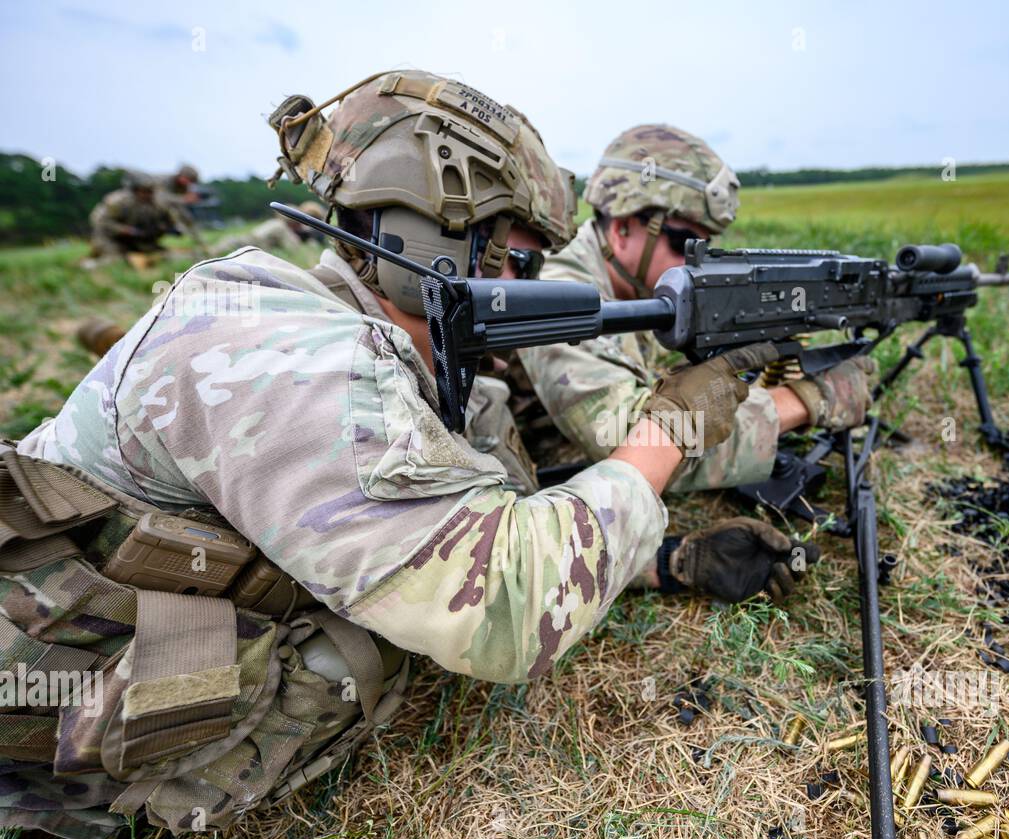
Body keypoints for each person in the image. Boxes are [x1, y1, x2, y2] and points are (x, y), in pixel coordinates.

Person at [19, 71, 811, 691]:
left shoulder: (367, 340)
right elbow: (506, 609)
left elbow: (455, 525)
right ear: (429, 243)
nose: (534, 291)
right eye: (517, 261)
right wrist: (664, 431)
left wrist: (659, 560)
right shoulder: (301, 364)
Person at [515, 124, 876, 492]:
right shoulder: (558, 294)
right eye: (686, 242)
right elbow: (637, 446)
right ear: (623, 228)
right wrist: (807, 399)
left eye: (707, 245)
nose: (697, 262)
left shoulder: (639, 284)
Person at [82, 171, 179, 269]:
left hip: (140, 241)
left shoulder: (158, 203)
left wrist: (165, 228)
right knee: (116, 262)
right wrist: (123, 230)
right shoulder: (118, 202)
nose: (147, 195)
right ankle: (88, 264)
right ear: (134, 190)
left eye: (150, 191)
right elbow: (101, 222)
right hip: (112, 239)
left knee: (165, 257)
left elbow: (171, 221)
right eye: (144, 191)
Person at [210, 200, 327, 256]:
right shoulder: (280, 227)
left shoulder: (276, 224)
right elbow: (293, 249)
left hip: (236, 244)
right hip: (237, 246)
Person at [155, 162, 210, 255]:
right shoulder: (164, 180)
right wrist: (184, 199)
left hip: (172, 205)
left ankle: (202, 244)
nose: (189, 183)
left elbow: (180, 204)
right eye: (188, 180)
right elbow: (160, 198)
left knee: (187, 218)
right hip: (154, 206)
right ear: (181, 175)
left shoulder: (184, 186)